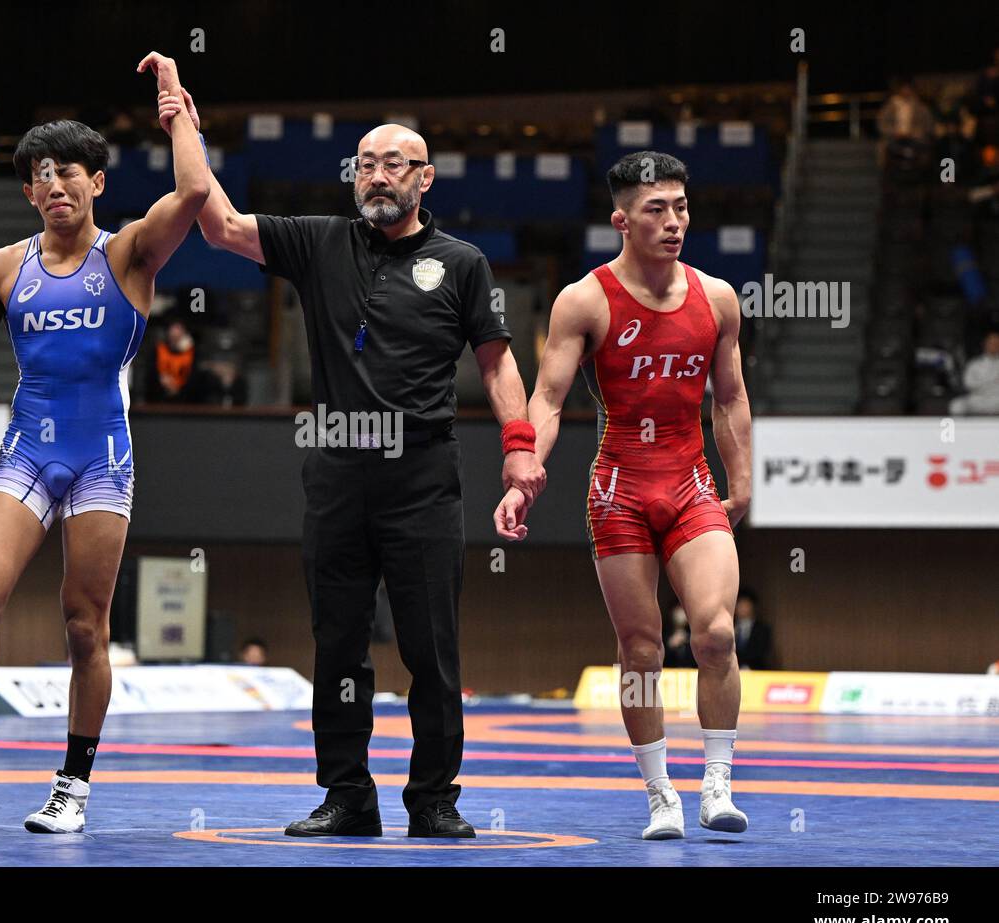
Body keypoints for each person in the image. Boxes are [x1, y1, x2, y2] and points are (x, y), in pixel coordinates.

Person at [163, 89, 544, 838]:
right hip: (337, 471)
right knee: (338, 644)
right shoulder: (318, 242)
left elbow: (498, 365)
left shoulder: (461, 264)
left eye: (392, 164)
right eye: (364, 164)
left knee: (430, 648)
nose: (375, 176)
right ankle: (347, 796)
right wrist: (184, 120)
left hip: (424, 477)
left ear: (424, 178)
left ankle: (434, 799)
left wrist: (520, 449)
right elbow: (217, 221)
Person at [0, 52, 210, 834]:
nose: (54, 184)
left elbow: (197, 192)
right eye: (40, 174)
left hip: (101, 456)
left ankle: (73, 783)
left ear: (96, 183)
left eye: (69, 171)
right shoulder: (4, 267)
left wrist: (175, 108)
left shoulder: (129, 252)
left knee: (82, 625)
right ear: (28, 189)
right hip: (28, 452)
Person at [497, 151, 753, 840]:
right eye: (656, 210)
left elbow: (728, 397)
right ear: (621, 221)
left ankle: (718, 784)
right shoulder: (584, 300)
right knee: (641, 650)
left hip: (691, 482)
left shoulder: (718, 298)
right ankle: (660, 793)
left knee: (718, 633)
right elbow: (546, 398)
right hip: (620, 488)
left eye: (681, 207)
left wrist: (744, 477)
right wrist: (523, 466)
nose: (674, 222)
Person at [949, 330, 999, 414]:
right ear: (985, 344)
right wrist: (991, 382)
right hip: (978, 399)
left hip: (996, 399)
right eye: (991, 343)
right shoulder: (974, 364)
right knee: (956, 406)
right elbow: (968, 384)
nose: (993, 346)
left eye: (996, 343)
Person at [733, 588, 773, 671]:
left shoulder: (763, 629)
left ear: (753, 606)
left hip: (756, 671)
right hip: (732, 671)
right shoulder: (729, 626)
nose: (742, 608)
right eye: (739, 604)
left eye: (746, 604)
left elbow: (761, 652)